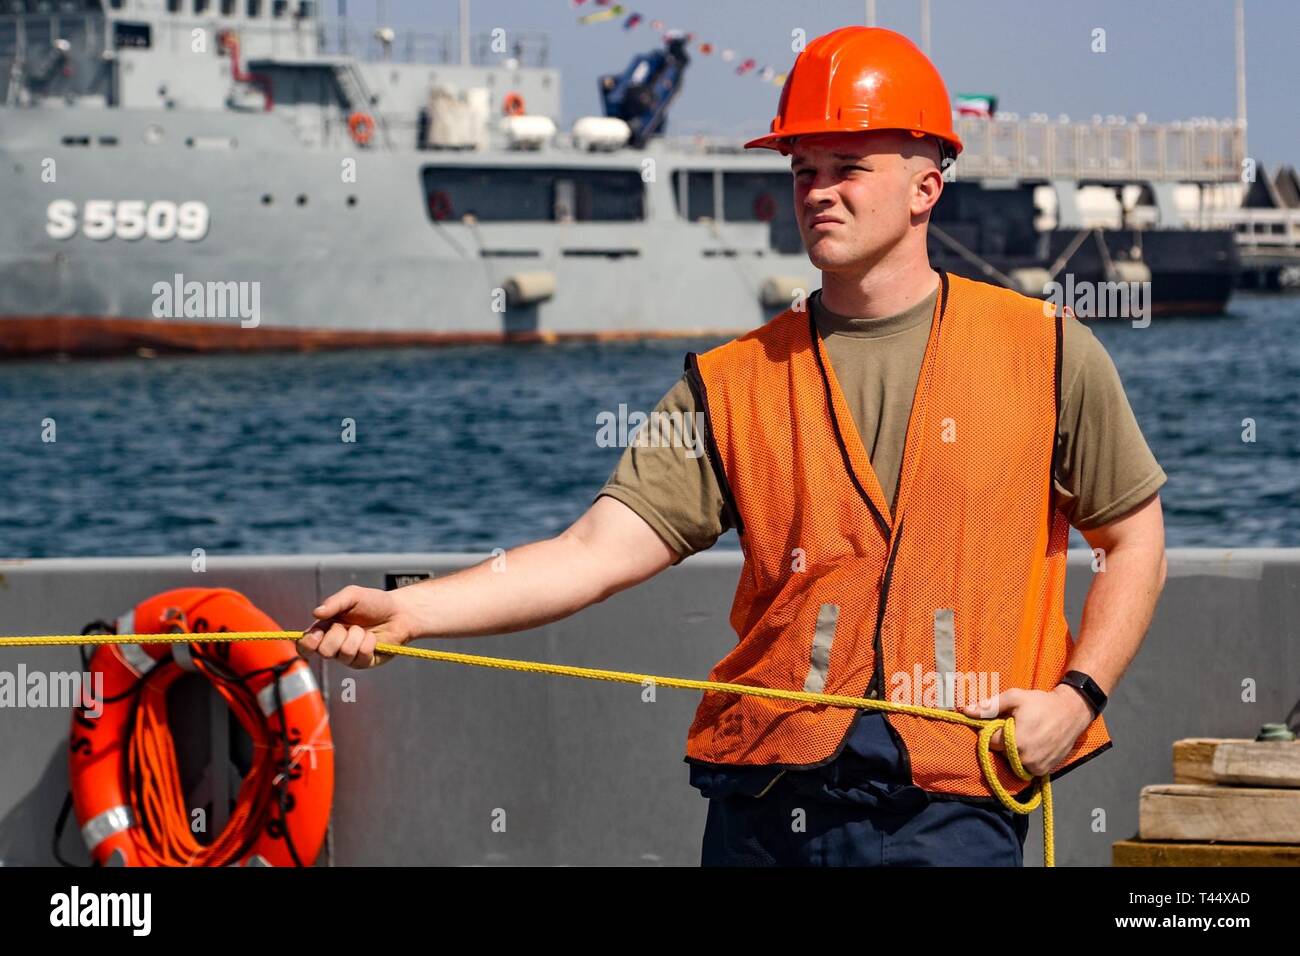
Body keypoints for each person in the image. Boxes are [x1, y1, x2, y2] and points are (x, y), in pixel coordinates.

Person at [297, 26, 1168, 866]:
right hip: (762, 807)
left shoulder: (1045, 351)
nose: (819, 191)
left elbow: (1133, 540)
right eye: (803, 171)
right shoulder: (731, 382)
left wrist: (1074, 699)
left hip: (954, 802)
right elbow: (591, 553)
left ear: (924, 187)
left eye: (848, 168)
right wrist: (413, 609)